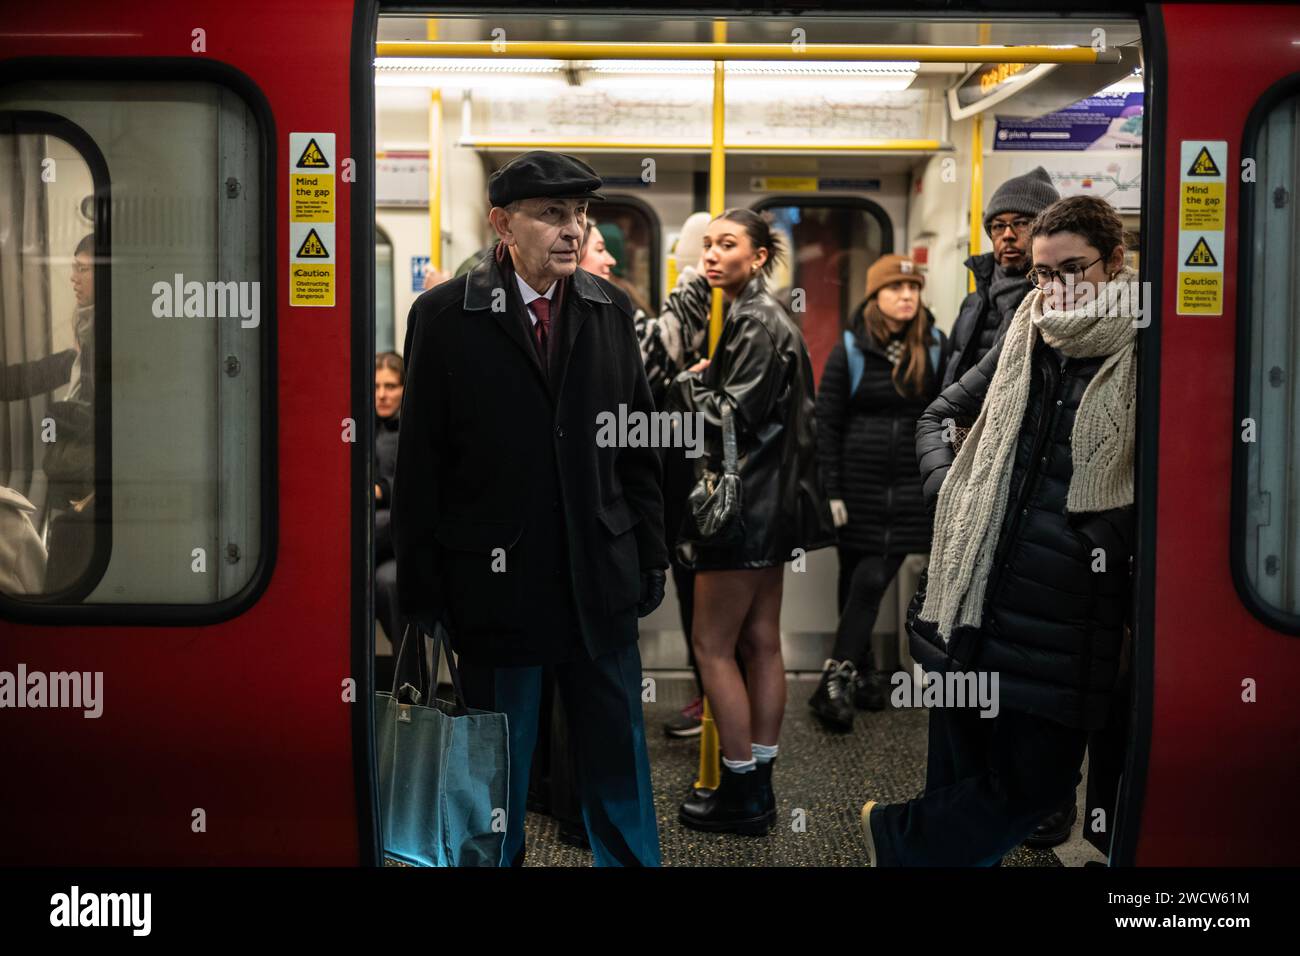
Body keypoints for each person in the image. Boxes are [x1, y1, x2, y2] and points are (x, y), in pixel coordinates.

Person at [393, 150, 668, 867]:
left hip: (597, 572)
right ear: (502, 224)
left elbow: (638, 445)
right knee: (496, 766)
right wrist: (423, 591)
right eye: (553, 215)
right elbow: (423, 460)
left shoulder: (612, 311)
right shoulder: (446, 316)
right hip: (494, 580)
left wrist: (651, 553)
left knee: (616, 757)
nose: (573, 229)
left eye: (581, 214)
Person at [860, 195, 1138, 866]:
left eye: (1071, 269)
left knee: (1039, 787)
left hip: (1067, 613)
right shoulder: (1024, 334)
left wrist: (1103, 540)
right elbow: (937, 416)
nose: (1053, 289)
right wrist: (948, 492)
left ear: (1117, 261)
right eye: (1042, 274)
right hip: (973, 603)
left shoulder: (1147, 348)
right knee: (959, 779)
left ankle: (894, 836)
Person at [668, 208, 835, 835]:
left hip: (739, 515)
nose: (711, 255)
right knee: (762, 643)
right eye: (707, 245)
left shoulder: (755, 321)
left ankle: (739, 790)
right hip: (773, 508)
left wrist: (685, 386)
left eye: (727, 245)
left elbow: (728, 418)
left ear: (759, 257)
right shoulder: (765, 316)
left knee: (712, 647)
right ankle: (758, 787)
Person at [809, 254, 948, 732]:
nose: (907, 296)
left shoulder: (933, 345)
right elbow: (827, 420)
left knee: (871, 579)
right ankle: (865, 672)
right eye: (896, 288)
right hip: (857, 484)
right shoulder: (851, 347)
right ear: (875, 296)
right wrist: (830, 490)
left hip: (910, 485)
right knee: (853, 579)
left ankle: (833, 677)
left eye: (914, 288)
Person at [943, 167, 1060, 391]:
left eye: (1022, 223)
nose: (1007, 235)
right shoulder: (973, 303)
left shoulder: (1057, 301)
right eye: (998, 226)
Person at [373, 351, 404, 687]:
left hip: (398, 542)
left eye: (391, 386)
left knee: (391, 583)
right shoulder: (359, 425)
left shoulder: (412, 428)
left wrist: (381, 490)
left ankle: (406, 684)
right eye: (378, 386)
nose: (382, 394)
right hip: (373, 541)